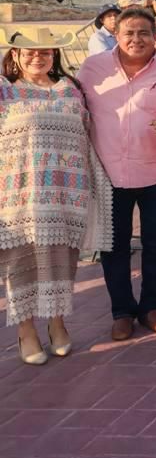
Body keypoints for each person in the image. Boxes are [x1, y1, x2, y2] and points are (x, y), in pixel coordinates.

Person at [0, 30, 112, 364]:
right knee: (20, 262)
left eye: (45, 52)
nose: (38, 57)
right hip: (18, 194)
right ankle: (26, 331)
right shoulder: (5, 90)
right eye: (30, 52)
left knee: (61, 261)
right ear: (16, 55)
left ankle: (57, 322)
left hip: (65, 193)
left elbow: (88, 132)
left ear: (54, 56)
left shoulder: (70, 89)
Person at [80, 6, 156, 341]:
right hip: (108, 174)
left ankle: (151, 308)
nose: (136, 39)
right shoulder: (93, 69)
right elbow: (76, 107)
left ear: (155, 37)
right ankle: (122, 312)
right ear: (116, 35)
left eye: (144, 32)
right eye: (129, 32)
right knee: (114, 247)